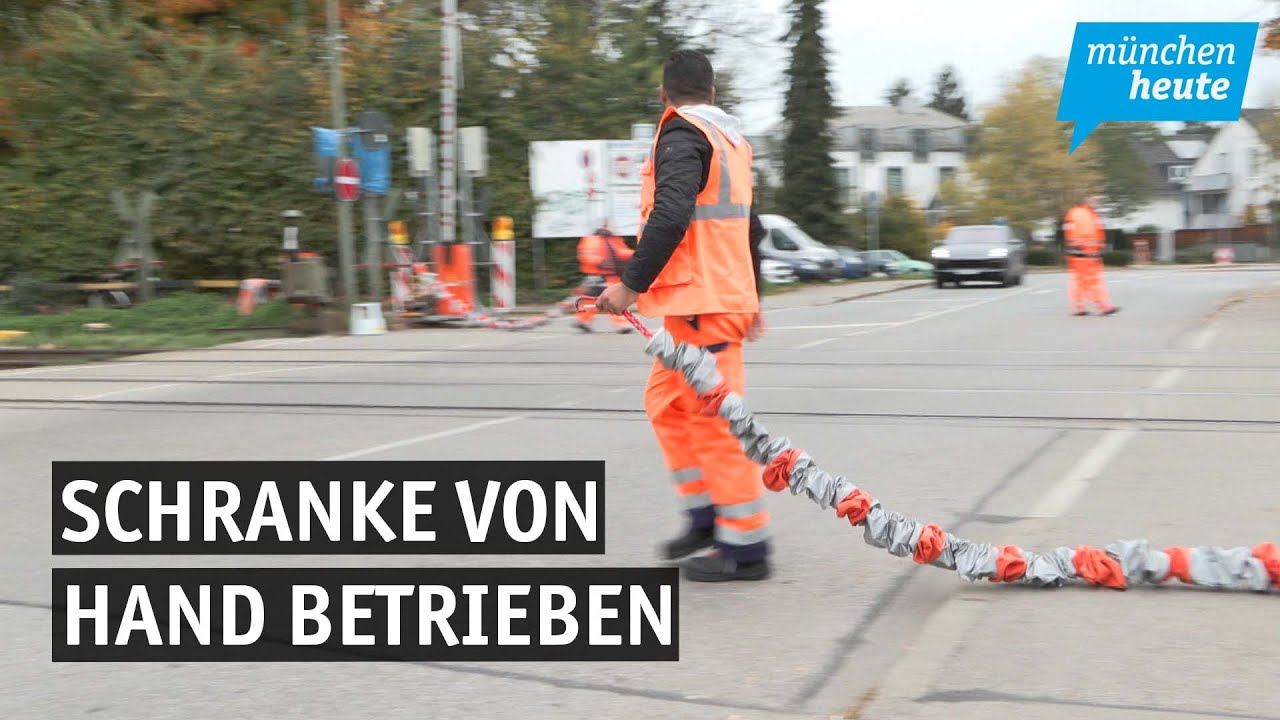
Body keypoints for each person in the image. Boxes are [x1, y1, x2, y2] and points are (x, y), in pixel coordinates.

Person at [596, 49, 770, 582]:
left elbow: (671, 213)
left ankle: (745, 549)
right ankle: (705, 517)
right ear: (712, 93)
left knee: (714, 423)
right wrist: (754, 295)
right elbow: (752, 229)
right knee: (666, 406)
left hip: (705, 307)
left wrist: (628, 287)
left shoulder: (681, 136)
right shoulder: (729, 141)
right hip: (698, 308)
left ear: (664, 95)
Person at [1063, 193, 1119, 317]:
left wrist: (1099, 247)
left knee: (1082, 281)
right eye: (1093, 200)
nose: (1096, 202)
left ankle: (1080, 307)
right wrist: (1079, 246)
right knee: (1090, 281)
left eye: (1097, 200)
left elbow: (1096, 234)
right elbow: (1071, 231)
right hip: (1082, 253)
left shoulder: (1090, 214)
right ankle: (1103, 306)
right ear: (1086, 200)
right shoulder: (1079, 214)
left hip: (1088, 253)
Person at [575, 224, 636, 333]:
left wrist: (635, 254)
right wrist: (599, 261)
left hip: (608, 277)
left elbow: (621, 253)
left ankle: (582, 321)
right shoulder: (591, 240)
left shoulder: (612, 240)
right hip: (597, 276)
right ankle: (621, 324)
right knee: (612, 300)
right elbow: (586, 255)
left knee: (600, 300)